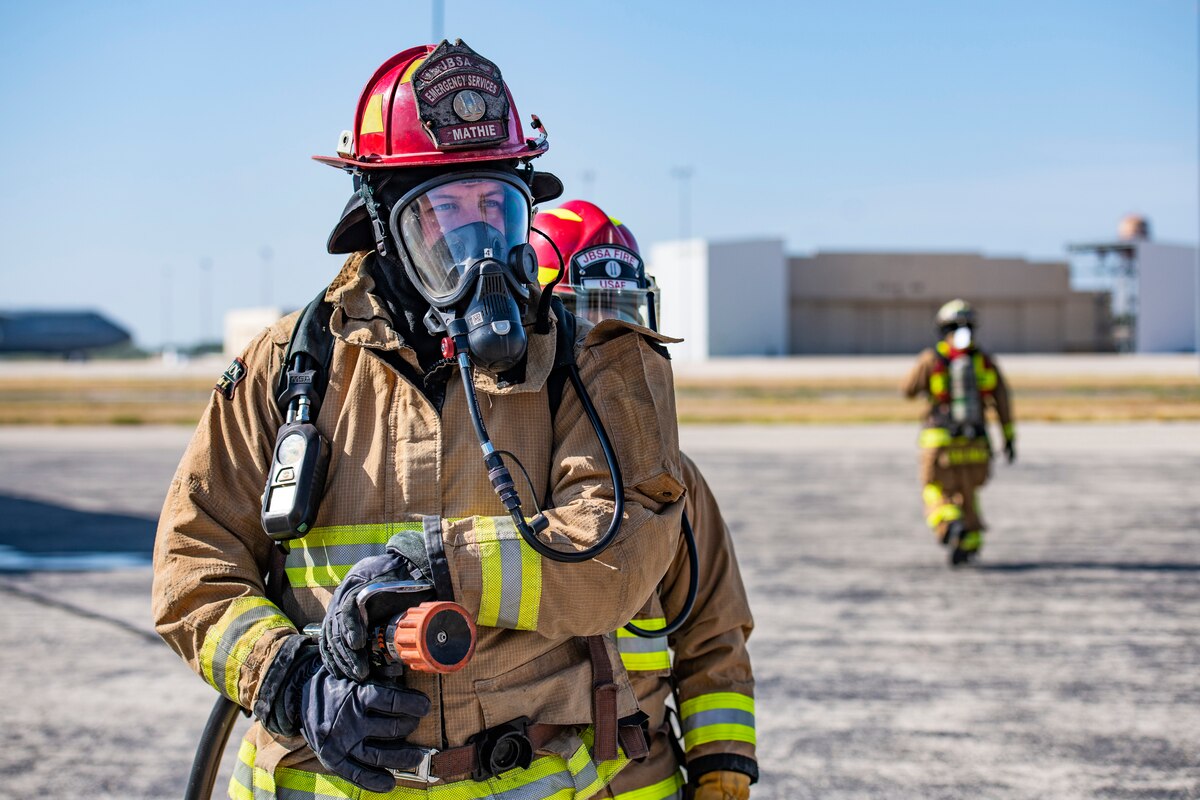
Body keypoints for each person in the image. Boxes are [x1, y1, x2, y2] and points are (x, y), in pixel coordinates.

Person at [152, 41, 689, 800]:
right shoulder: (288, 365)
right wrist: (292, 682)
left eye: (495, 207)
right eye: (444, 212)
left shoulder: (595, 362)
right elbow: (191, 568)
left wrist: (444, 567)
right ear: (380, 219)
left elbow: (622, 555)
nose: (479, 247)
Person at [532, 200, 758, 800]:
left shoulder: (673, 478)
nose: (614, 350)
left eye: (626, 321)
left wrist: (723, 767)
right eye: (589, 324)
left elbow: (712, 633)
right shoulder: (494, 470)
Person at [902, 299, 1016, 566]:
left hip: (940, 441)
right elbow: (1003, 403)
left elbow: (907, 389)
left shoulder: (932, 358)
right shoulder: (984, 361)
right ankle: (970, 543)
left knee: (934, 488)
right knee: (968, 493)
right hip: (976, 443)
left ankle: (950, 522)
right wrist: (1009, 438)